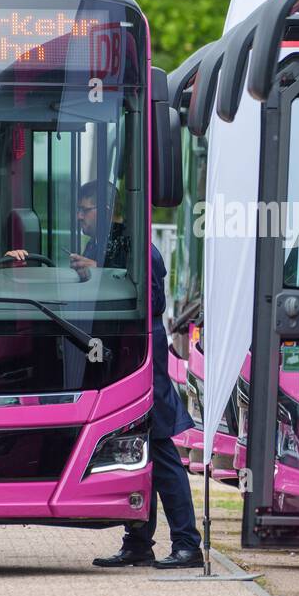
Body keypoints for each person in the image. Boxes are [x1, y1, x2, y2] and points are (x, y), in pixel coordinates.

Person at [86, 181, 202, 569]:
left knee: (163, 450)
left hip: (144, 361)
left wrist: (98, 273)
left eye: (87, 209)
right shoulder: (100, 248)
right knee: (139, 450)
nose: (81, 217)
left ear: (105, 210)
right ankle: (138, 541)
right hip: (121, 359)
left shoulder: (141, 250)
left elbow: (151, 302)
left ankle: (187, 544)